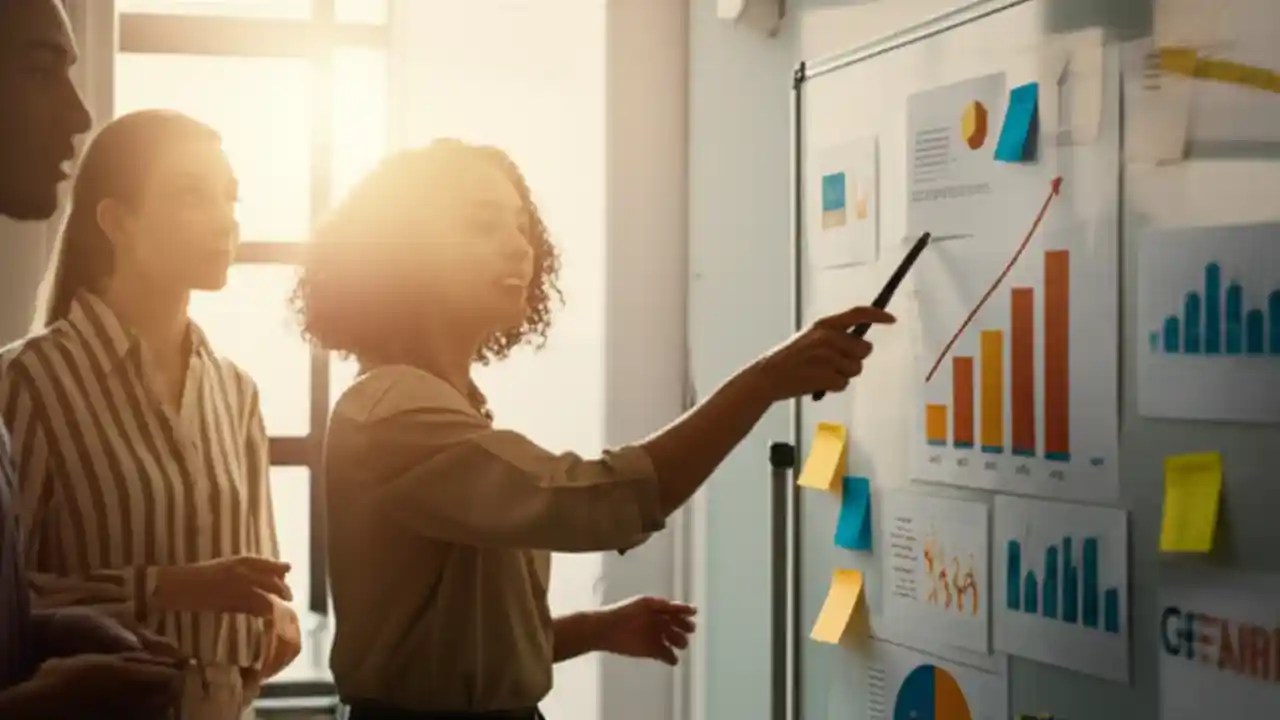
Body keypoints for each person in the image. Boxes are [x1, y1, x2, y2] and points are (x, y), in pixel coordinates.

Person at [293, 139, 893, 718]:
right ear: (405, 254)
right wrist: (763, 382)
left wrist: (595, 629)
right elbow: (595, 500)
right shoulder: (394, 414)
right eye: (483, 225)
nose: (518, 248)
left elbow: (459, 648)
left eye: (521, 227)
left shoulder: (446, 406)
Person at [0, 108, 302, 719]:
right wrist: (170, 586)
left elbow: (261, 589)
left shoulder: (236, 391)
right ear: (116, 220)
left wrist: (274, 623)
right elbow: (10, 602)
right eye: (193, 195)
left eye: (231, 197)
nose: (225, 218)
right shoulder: (29, 381)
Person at [0, 0, 185, 716]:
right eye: (39, 71)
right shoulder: (28, 379)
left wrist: (51, 633)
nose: (79, 116)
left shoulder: (234, 389)